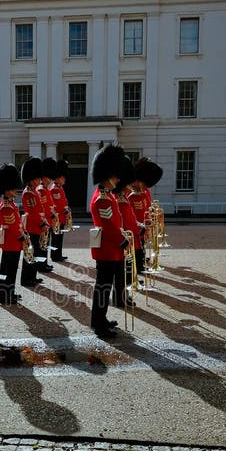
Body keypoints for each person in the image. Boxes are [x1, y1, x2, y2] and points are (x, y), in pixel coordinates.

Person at [90, 144, 128, 339]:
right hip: (107, 248)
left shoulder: (107, 195)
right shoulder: (102, 199)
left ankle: (101, 318)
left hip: (110, 248)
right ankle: (98, 323)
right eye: (115, 175)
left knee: (105, 286)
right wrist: (123, 241)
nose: (118, 179)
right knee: (103, 287)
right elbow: (109, 228)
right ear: (106, 175)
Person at [0, 163, 24, 306]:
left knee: (10, 269)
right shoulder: (6, 206)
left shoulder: (11, 204)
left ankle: (7, 292)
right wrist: (22, 236)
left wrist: (24, 233)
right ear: (6, 190)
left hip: (14, 242)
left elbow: (17, 224)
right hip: (11, 242)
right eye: (12, 188)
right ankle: (4, 295)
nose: (15, 190)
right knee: (8, 270)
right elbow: (12, 227)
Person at [114, 156, 141, 309]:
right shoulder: (119, 199)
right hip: (124, 239)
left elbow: (131, 218)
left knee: (125, 272)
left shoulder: (123, 197)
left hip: (128, 239)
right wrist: (139, 228)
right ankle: (120, 298)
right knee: (122, 273)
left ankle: (124, 296)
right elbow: (128, 222)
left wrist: (141, 225)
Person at [20, 157, 46, 288]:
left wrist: (44, 221)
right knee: (29, 253)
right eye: (36, 179)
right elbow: (32, 212)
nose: (39, 181)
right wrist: (42, 223)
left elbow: (39, 210)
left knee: (36, 253)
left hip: (37, 225)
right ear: (30, 179)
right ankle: (26, 278)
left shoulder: (34, 191)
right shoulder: (28, 193)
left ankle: (33, 276)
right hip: (32, 227)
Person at [36, 158, 57, 271]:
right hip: (45, 221)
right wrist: (52, 216)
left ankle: (44, 263)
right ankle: (41, 265)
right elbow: (43, 208)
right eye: (48, 178)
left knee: (45, 244)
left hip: (48, 221)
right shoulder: (41, 190)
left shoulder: (45, 189)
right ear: (43, 177)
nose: (50, 180)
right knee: (42, 245)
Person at [49, 159, 71, 262]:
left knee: (59, 238)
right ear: (58, 178)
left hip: (61, 217)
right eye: (63, 178)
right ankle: (55, 256)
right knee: (56, 238)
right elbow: (57, 205)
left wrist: (67, 209)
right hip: (57, 217)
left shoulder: (59, 188)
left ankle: (58, 254)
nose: (64, 180)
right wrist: (65, 211)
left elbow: (63, 202)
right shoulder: (55, 189)